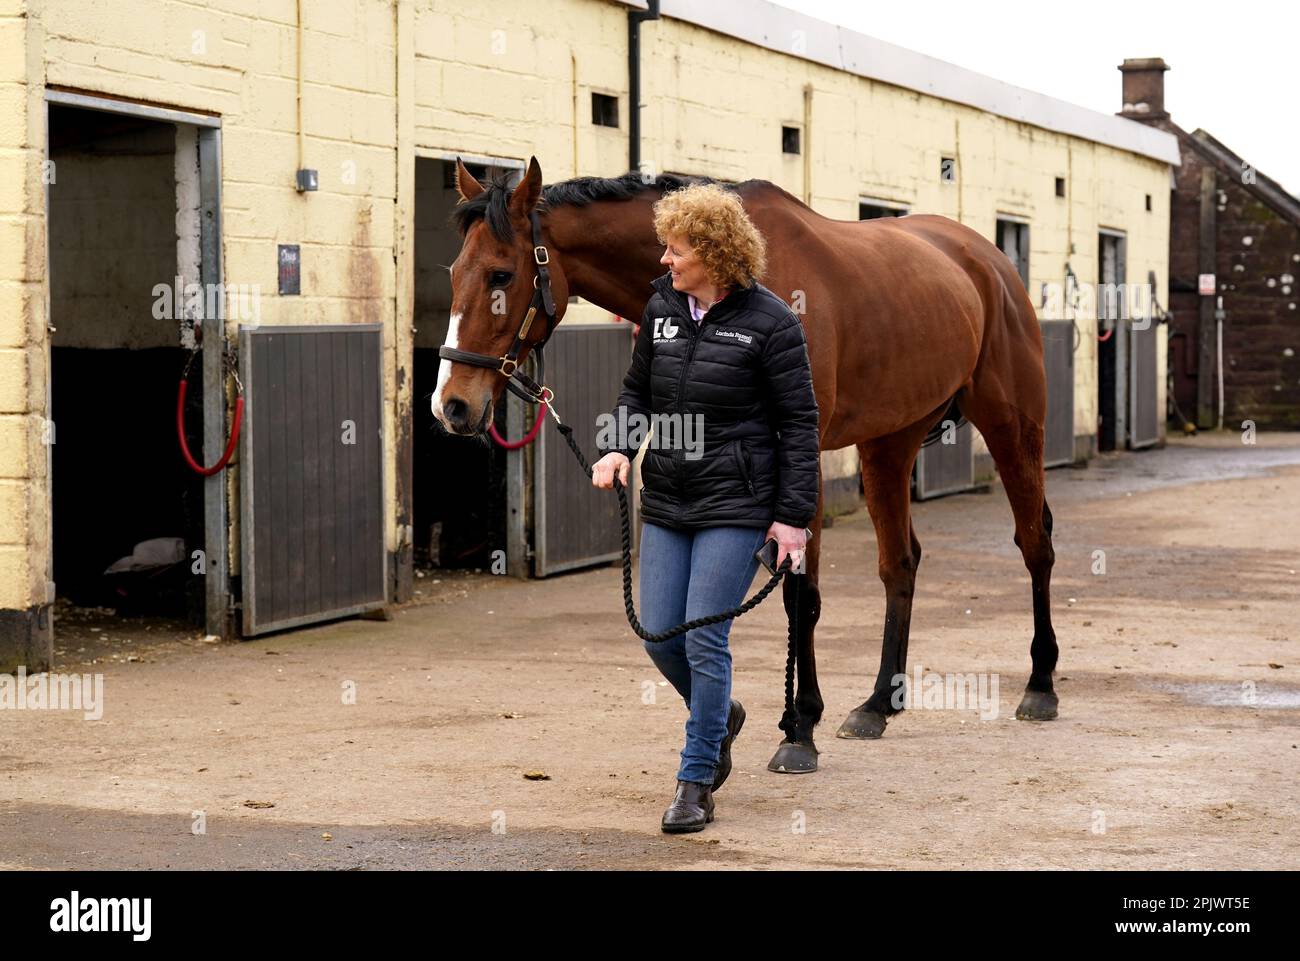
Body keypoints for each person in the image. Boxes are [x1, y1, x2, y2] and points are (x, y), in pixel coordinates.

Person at [591, 182, 820, 833]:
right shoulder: (661, 307)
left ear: (715, 254)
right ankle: (720, 716)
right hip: (668, 498)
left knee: (702, 636)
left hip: (738, 504)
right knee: (660, 631)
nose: (665, 260)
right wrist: (616, 449)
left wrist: (792, 516)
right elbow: (638, 392)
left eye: (677, 249)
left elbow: (800, 423)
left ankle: (694, 782)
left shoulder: (771, 322)